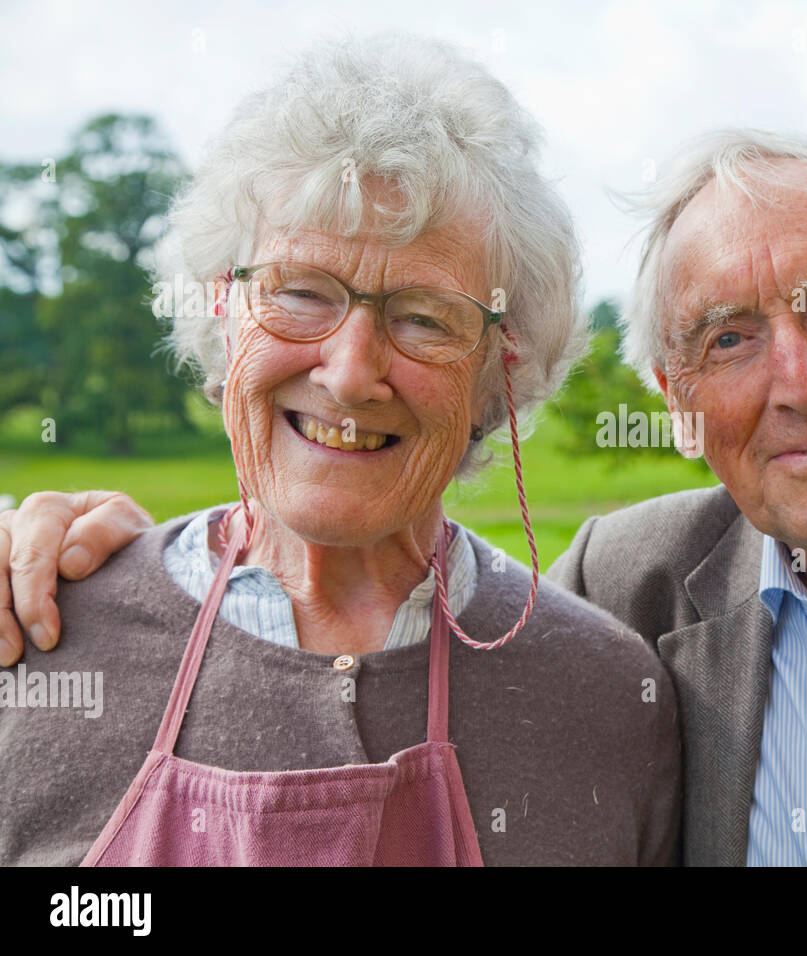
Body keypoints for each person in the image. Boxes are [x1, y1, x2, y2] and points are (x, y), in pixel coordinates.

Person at [9, 130, 807, 867]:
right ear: (678, 399)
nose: (795, 381)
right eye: (728, 338)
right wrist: (72, 537)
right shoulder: (613, 602)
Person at [0, 34, 679, 866]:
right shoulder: (37, 638)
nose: (352, 374)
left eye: (425, 317)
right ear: (223, 311)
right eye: (299, 292)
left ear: (498, 372)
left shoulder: (608, 697)